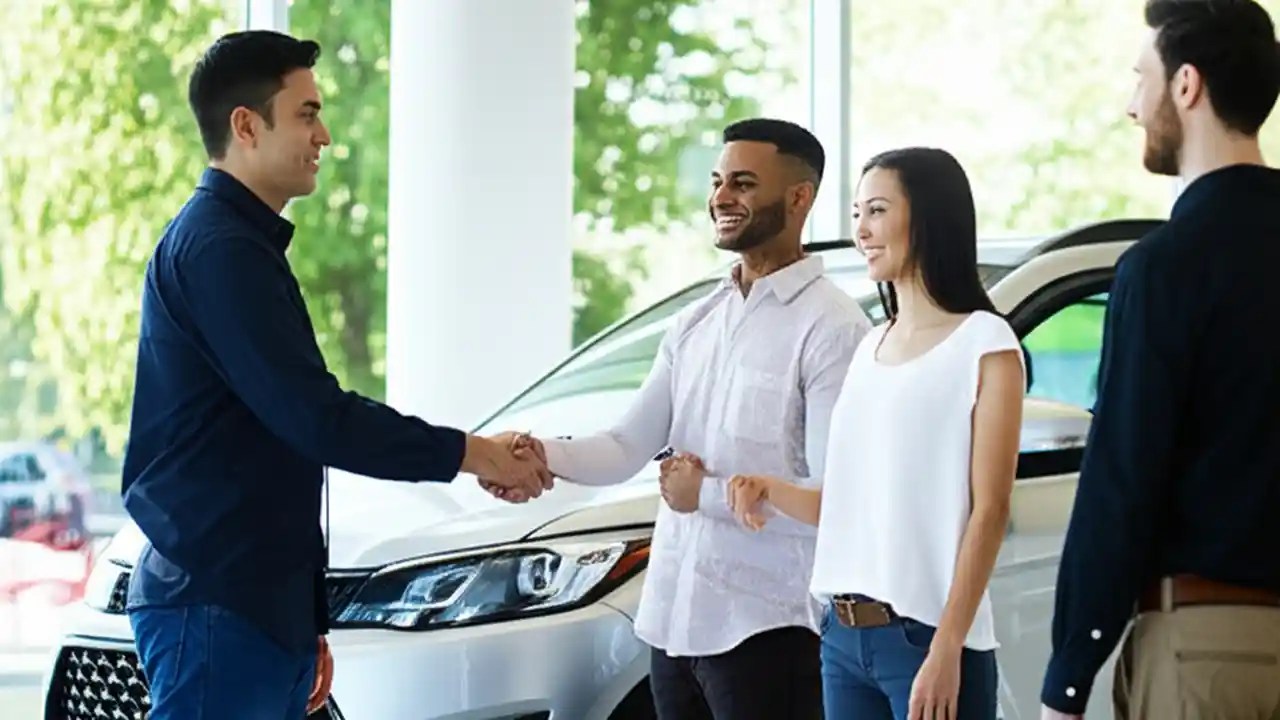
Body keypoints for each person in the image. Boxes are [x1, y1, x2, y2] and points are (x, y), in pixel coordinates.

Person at [121, 30, 549, 720]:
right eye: (307, 113)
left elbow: (279, 447)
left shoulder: (238, 245)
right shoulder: (221, 249)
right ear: (245, 126)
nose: (325, 135)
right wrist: (478, 453)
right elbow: (316, 418)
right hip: (220, 604)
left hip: (254, 607)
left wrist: (303, 618)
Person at [482, 118, 871, 719]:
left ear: (799, 198)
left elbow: (832, 504)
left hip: (767, 630)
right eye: (718, 181)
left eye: (742, 183)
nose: (720, 197)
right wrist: (535, 454)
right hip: (672, 624)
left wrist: (704, 495)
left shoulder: (833, 328)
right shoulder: (695, 323)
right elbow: (624, 445)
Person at [1040, 2, 1280, 718]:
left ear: (1187, 86)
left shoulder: (1166, 266)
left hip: (1205, 654)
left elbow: (1122, 479)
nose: (1129, 105)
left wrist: (1069, 677)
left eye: (1139, 78)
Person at [729, 147, 1025, 720]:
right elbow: (845, 503)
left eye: (878, 211)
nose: (861, 230)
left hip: (926, 640)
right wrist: (768, 488)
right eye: (857, 212)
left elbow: (989, 511)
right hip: (842, 640)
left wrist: (947, 650)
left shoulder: (985, 343)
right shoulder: (870, 346)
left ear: (930, 218)